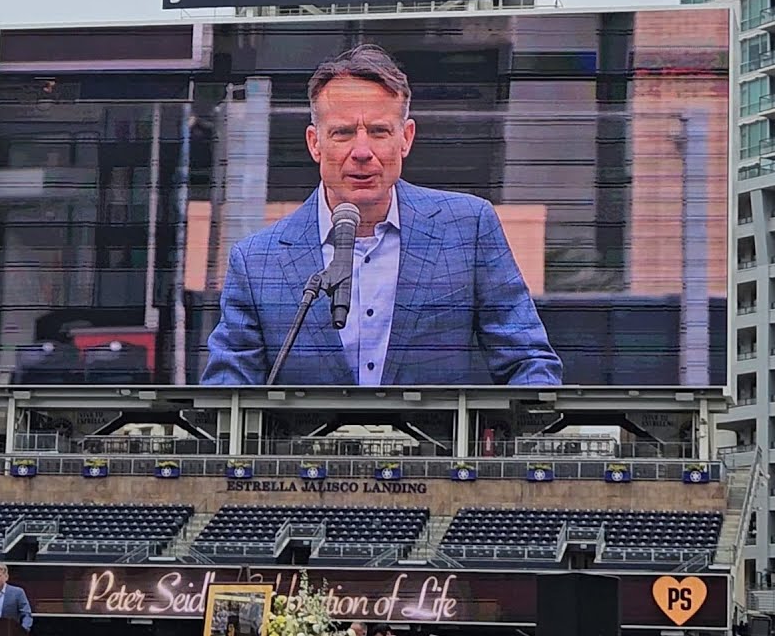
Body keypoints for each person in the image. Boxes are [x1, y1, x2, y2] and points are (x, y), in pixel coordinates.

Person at [202, 44, 563, 387]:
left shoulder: (467, 228)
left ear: (406, 138)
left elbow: (529, 364)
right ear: (315, 143)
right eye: (343, 133)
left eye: (379, 132)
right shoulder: (257, 261)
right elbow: (228, 390)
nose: (362, 151)